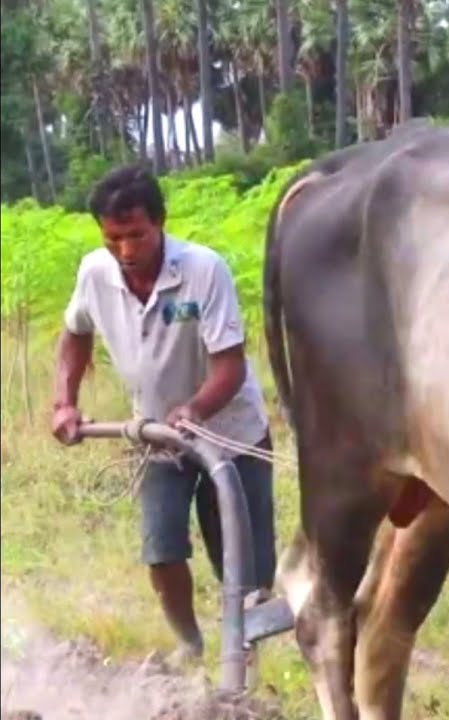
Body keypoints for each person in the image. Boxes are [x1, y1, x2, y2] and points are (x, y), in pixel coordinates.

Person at [50, 164, 277, 664]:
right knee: (162, 549)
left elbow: (231, 366)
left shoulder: (203, 270)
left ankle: (244, 652)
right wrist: (64, 400)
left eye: (136, 235)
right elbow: (75, 332)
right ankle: (189, 645)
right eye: (113, 238)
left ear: (161, 222)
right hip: (157, 435)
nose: (126, 251)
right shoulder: (95, 273)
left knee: (245, 562)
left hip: (231, 432)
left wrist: (194, 409)